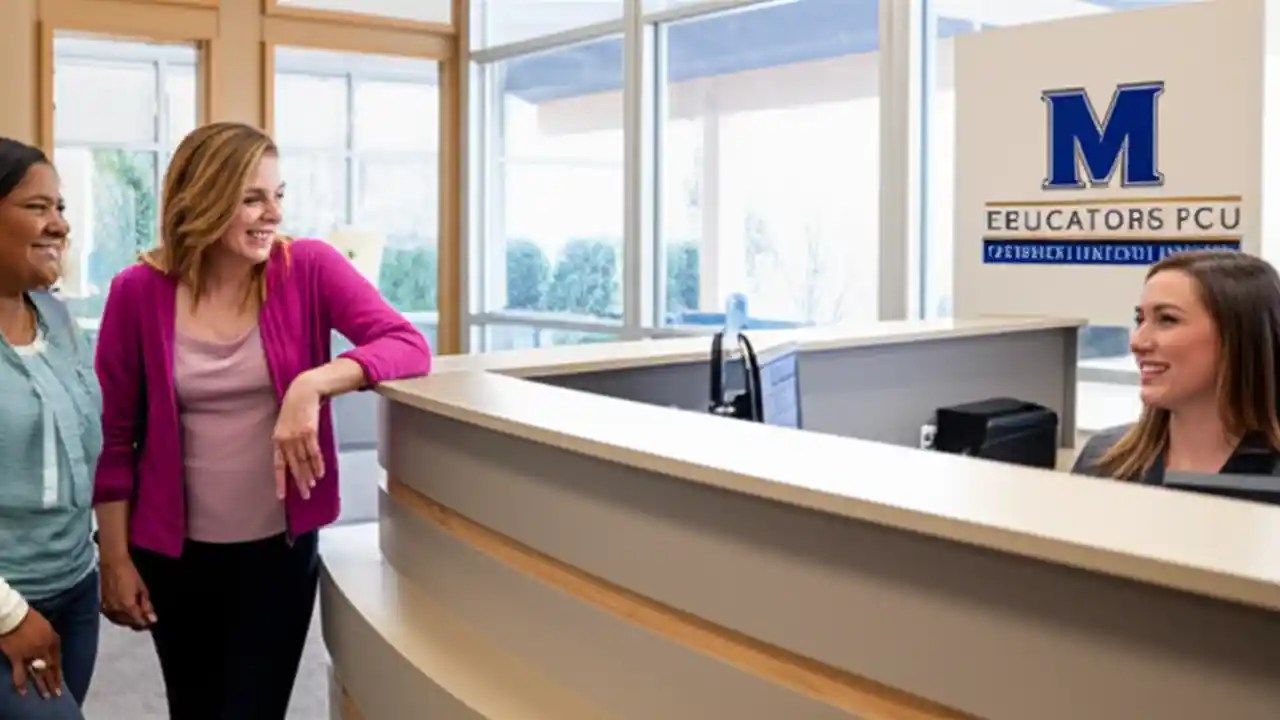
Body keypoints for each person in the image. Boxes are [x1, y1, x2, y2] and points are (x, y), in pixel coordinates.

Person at [93, 121, 432, 720]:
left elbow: (407, 344)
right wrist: (115, 560)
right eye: (252, 198)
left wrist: (314, 382)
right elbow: (115, 440)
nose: (273, 214)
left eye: (278, 195)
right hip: (174, 557)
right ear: (203, 199)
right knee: (195, 711)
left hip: (278, 552)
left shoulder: (309, 267)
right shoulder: (136, 291)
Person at [0, 138, 102, 719]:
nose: (59, 225)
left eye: (59, 208)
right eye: (37, 207)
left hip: (74, 589)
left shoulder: (58, 321)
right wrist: (10, 614)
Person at [1072, 250, 1280, 501]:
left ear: (1240, 336)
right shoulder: (1103, 460)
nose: (1138, 342)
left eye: (1167, 319)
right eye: (1140, 320)